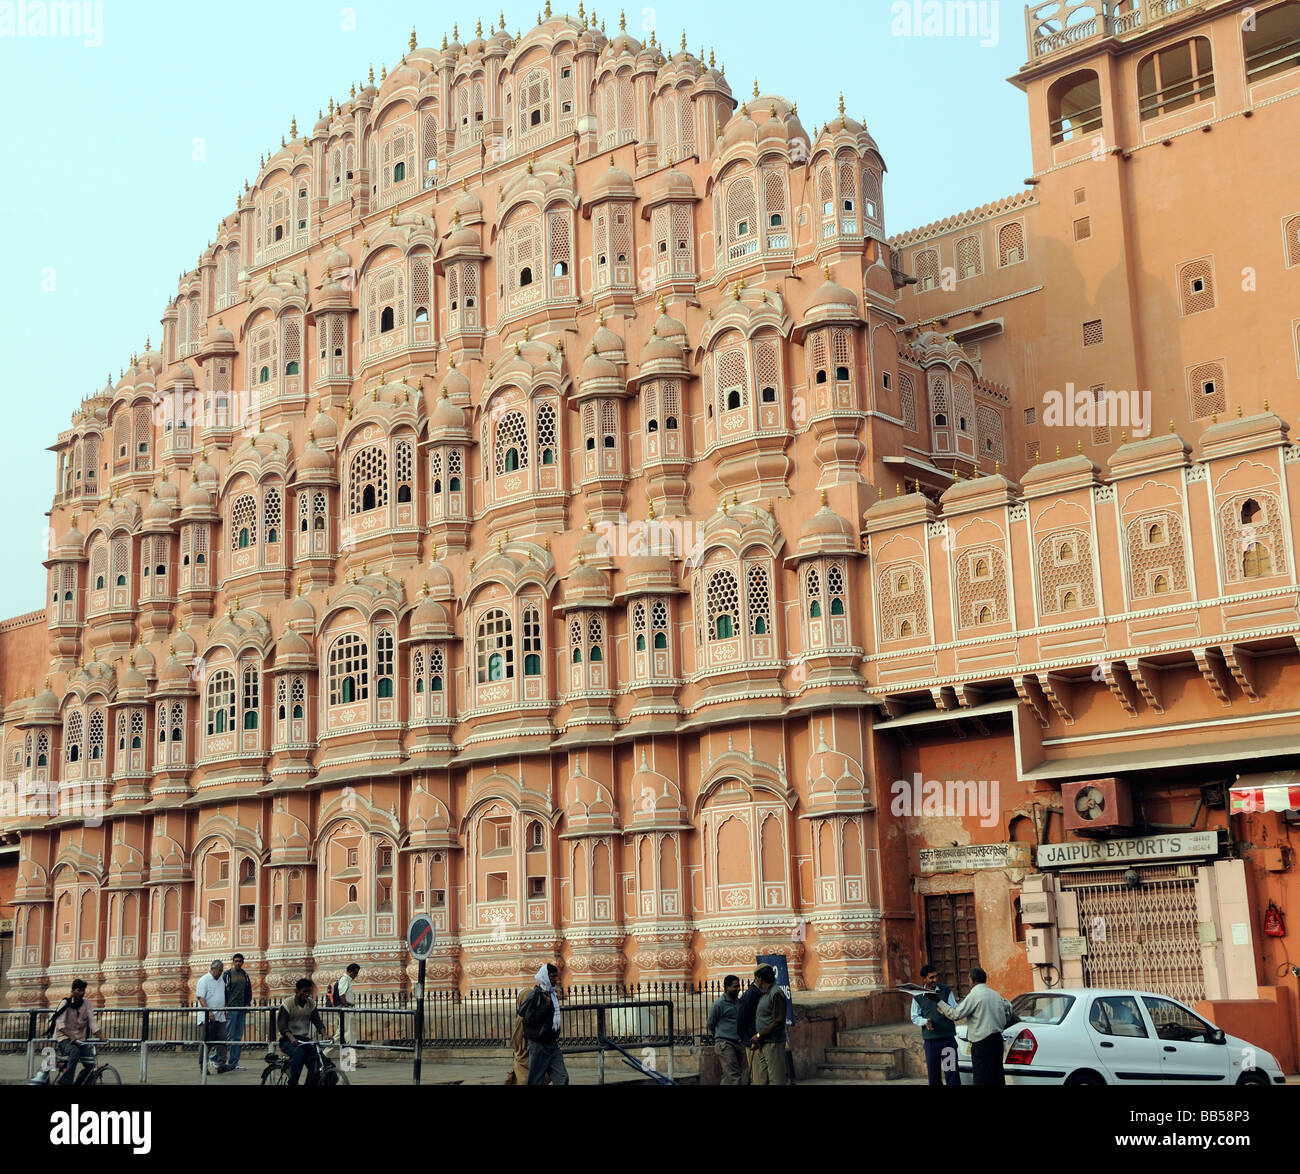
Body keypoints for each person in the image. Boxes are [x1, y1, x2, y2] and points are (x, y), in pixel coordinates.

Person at [933, 966, 1015, 1086]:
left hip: (982, 1043)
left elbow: (956, 1014)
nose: (968, 982)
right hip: (997, 1041)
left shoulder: (974, 996)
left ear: (973, 980)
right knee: (997, 1076)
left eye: (969, 979)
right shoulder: (996, 995)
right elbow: (1009, 1010)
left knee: (982, 1077)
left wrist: (939, 1002)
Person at [911, 963, 960, 1087]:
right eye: (931, 978)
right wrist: (924, 1021)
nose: (935, 980)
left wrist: (944, 1008)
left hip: (947, 1040)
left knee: (952, 1075)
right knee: (934, 1078)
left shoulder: (945, 991)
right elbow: (914, 1016)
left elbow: (955, 1009)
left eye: (936, 976)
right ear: (924, 979)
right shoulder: (917, 996)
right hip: (931, 1043)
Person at [520, 963, 569, 1086]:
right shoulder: (535, 995)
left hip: (552, 1044)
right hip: (539, 1045)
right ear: (545, 977)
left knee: (562, 1077)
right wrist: (545, 1008)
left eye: (555, 976)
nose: (555, 979)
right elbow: (528, 1019)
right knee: (536, 1080)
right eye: (552, 976)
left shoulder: (552, 994)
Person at [277, 977, 329, 1086]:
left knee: (319, 1060)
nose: (306, 994)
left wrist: (324, 1034)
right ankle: (293, 1082)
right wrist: (291, 1038)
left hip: (304, 1040)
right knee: (300, 1054)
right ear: (297, 991)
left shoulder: (311, 1004)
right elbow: (282, 1026)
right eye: (304, 991)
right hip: (288, 1040)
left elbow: (317, 1021)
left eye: (308, 992)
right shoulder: (287, 1004)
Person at [52, 979, 99, 1086]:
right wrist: (71, 1036)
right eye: (79, 990)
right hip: (64, 1039)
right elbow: (60, 1024)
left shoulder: (86, 1003)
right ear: (73, 991)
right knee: (74, 1052)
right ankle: (65, 1081)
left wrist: (101, 1036)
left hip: (79, 1040)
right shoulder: (65, 1003)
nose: (82, 992)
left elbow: (92, 1021)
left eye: (83, 990)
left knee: (90, 1063)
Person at [749, 964, 790, 1086]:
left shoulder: (776, 993)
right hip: (764, 1043)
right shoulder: (765, 993)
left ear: (760, 979)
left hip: (773, 1043)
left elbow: (778, 1021)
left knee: (776, 1079)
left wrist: (760, 1034)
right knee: (762, 1079)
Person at [707, 975, 746, 1085]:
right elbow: (710, 1023)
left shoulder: (739, 1003)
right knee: (735, 1076)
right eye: (735, 986)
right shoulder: (719, 1004)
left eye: (739, 986)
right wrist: (720, 1036)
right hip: (725, 1044)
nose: (738, 989)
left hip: (738, 1043)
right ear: (727, 987)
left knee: (728, 1076)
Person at [195, 959, 228, 1075]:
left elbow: (222, 996)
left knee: (222, 1040)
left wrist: (225, 1009)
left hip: (220, 1017)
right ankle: (202, 1065)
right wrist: (208, 1012)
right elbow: (201, 998)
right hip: (207, 1018)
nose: (220, 973)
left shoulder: (221, 980)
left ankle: (221, 1064)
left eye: (221, 971)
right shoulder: (204, 980)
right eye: (219, 971)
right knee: (206, 1042)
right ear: (213, 969)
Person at [222, 953, 252, 1072]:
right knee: (229, 1035)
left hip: (241, 1009)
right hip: (231, 1009)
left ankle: (234, 1062)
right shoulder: (228, 975)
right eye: (236, 961)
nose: (238, 963)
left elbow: (248, 990)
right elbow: (223, 991)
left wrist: (247, 1003)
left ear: (243, 962)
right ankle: (215, 1058)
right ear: (233, 962)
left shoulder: (245, 975)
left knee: (238, 1037)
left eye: (240, 961)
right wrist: (225, 1007)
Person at [735, 973, 763, 1085]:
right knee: (757, 1074)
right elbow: (742, 1019)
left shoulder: (760, 993)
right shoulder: (750, 995)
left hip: (758, 1037)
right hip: (752, 1039)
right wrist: (743, 1037)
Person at [336, 963, 364, 1065]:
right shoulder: (344, 979)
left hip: (347, 1009)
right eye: (356, 973)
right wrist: (347, 1006)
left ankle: (324, 1054)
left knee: (339, 1036)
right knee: (350, 1036)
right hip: (346, 1011)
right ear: (350, 971)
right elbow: (341, 995)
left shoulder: (347, 980)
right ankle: (351, 1061)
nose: (356, 975)